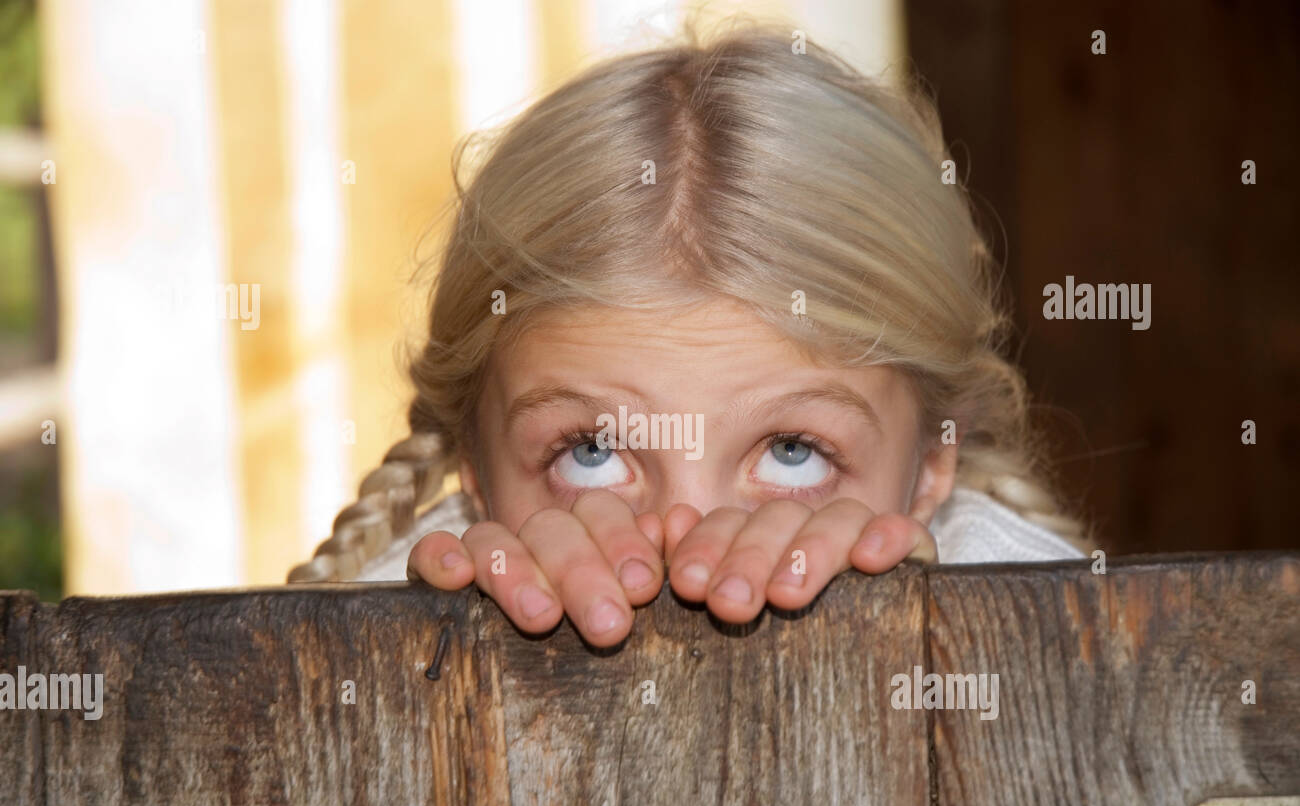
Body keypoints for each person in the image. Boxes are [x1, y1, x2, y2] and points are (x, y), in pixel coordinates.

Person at [289, 21, 1090, 648]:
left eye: (791, 450)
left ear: (930, 470)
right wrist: (435, 668)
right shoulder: (372, 650)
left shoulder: (1057, 661)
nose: (692, 553)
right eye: (592, 453)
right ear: (476, 477)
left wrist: (932, 637)